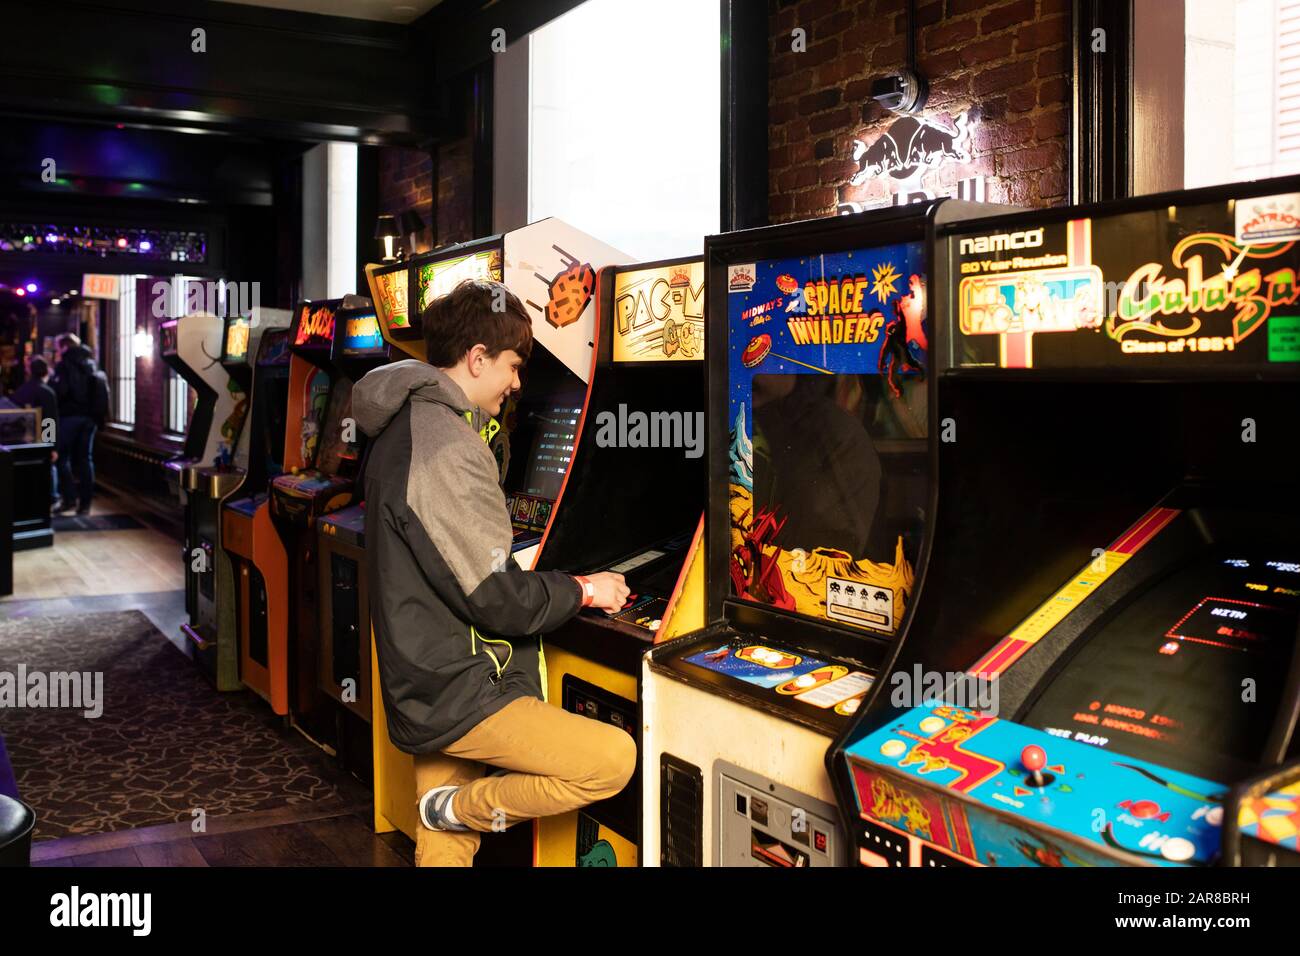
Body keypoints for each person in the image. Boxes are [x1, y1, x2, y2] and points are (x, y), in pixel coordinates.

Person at [353, 278, 635, 867]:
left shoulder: (407, 423)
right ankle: (455, 806)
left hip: (422, 672)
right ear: (477, 358)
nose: (517, 383)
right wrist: (583, 588)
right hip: (460, 685)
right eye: (511, 366)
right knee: (611, 760)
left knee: (444, 853)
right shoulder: (442, 445)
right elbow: (497, 601)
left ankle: (449, 811)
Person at [50, 334, 100, 515]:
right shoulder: (91, 363)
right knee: (86, 460)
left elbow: (59, 392)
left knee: (62, 458)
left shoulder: (64, 365)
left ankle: (69, 499)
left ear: (64, 347)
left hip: (69, 417)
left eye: (58, 348)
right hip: (90, 419)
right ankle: (85, 504)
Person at [10, 355, 60, 509]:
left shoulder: (21, 390)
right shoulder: (47, 392)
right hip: (41, 438)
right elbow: (50, 421)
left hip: (22, 439)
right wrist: (51, 446)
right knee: (49, 469)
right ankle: (51, 498)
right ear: (46, 371)